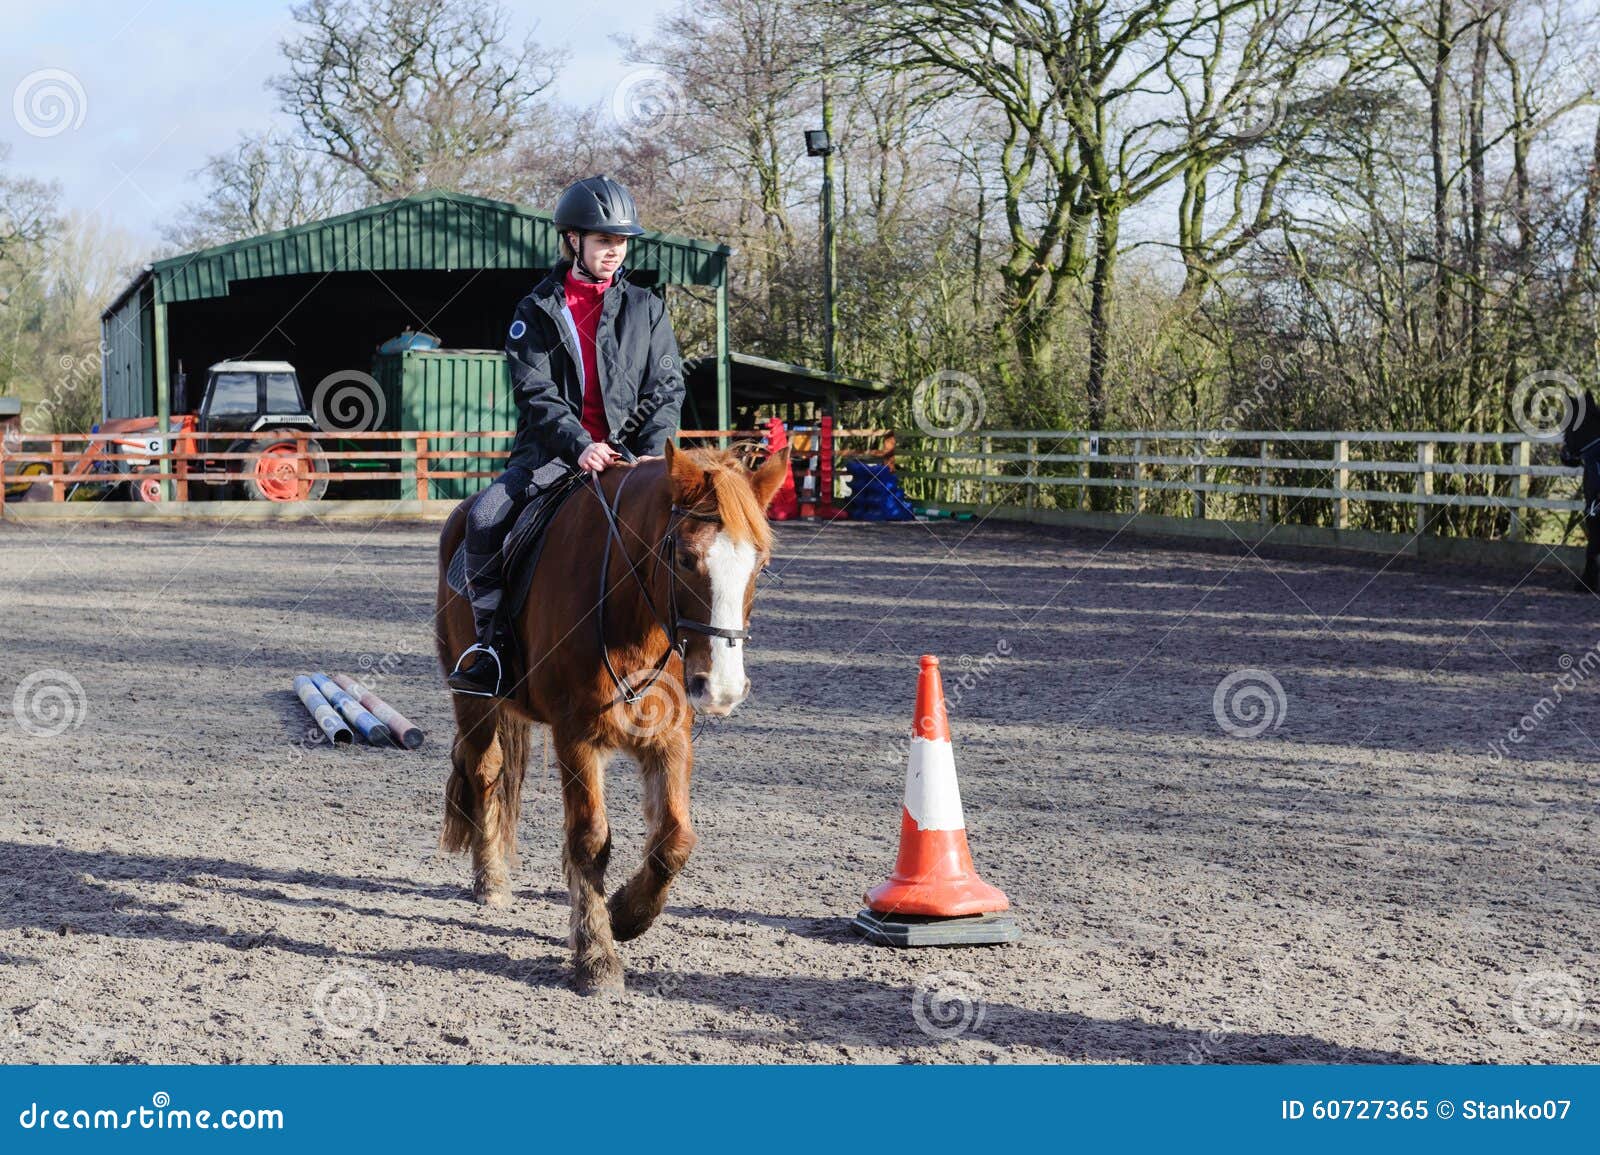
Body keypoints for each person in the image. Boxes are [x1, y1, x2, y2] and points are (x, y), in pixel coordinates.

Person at [447, 175, 685, 697]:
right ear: (573, 240)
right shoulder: (535, 311)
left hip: (633, 458)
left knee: (696, 535)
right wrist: (580, 444)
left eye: (621, 241)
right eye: (604, 240)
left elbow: (667, 387)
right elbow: (535, 392)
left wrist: (651, 455)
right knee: (483, 520)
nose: (614, 251)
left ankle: (689, 645)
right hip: (551, 456)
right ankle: (490, 646)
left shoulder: (647, 308)